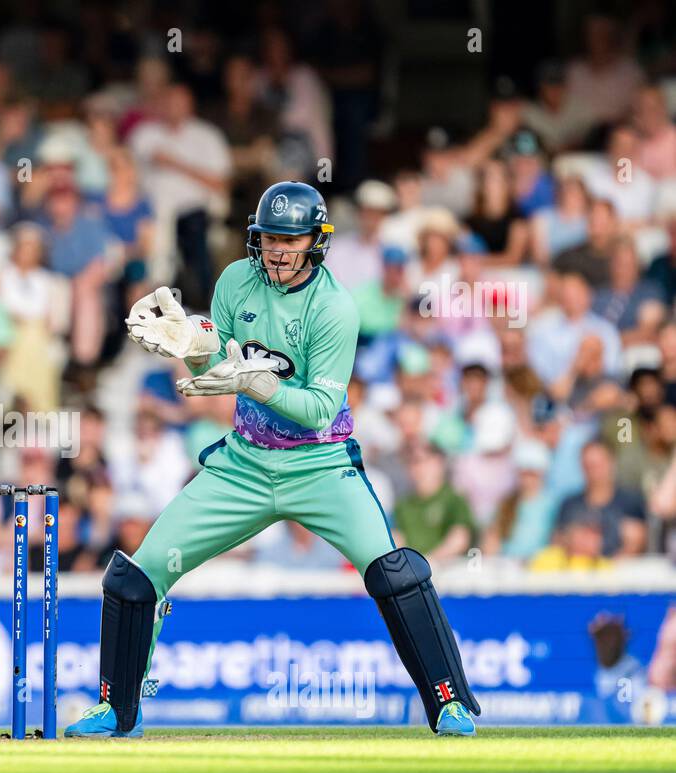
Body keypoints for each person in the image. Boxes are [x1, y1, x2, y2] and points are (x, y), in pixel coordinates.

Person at [66, 182, 482, 739]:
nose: (279, 251)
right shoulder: (236, 280)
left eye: (292, 239)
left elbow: (316, 410)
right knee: (137, 576)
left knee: (394, 571)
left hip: (321, 465)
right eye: (270, 239)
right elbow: (216, 365)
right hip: (244, 464)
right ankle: (118, 710)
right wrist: (188, 341)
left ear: (317, 241)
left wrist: (257, 386)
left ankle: (448, 701)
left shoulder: (334, 307)